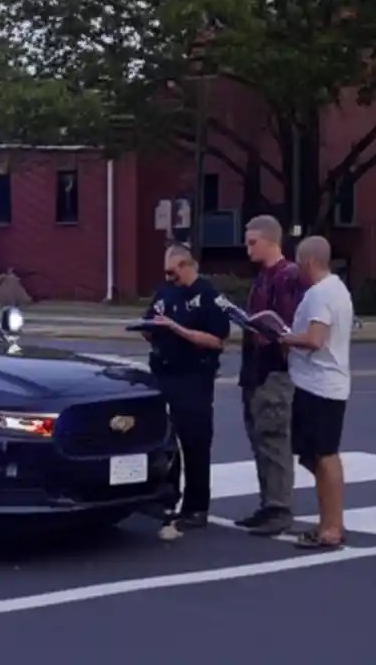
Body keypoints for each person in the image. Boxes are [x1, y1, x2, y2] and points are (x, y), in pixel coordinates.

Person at [142, 243, 231, 531]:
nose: (169, 278)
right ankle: (164, 498)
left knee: (194, 443)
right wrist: (148, 329)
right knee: (164, 441)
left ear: (186, 265)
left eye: (172, 272)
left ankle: (196, 507)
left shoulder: (209, 297)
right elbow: (149, 320)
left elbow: (217, 340)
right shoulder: (166, 292)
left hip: (193, 377)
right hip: (163, 373)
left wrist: (178, 330)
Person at [280, 236, 353, 550]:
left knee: (324, 456)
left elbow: (315, 339)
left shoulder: (320, 294)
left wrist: (283, 338)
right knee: (315, 454)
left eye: (298, 262)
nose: (296, 269)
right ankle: (328, 522)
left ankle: (332, 528)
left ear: (308, 262)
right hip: (320, 384)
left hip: (320, 386)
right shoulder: (337, 288)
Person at [236, 215, 306, 536]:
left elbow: (288, 327)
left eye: (252, 242)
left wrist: (267, 331)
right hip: (254, 367)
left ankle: (280, 507)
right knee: (259, 439)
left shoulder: (287, 276)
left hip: (274, 369)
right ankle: (268, 504)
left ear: (270, 241)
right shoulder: (263, 277)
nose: (247, 248)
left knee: (274, 438)